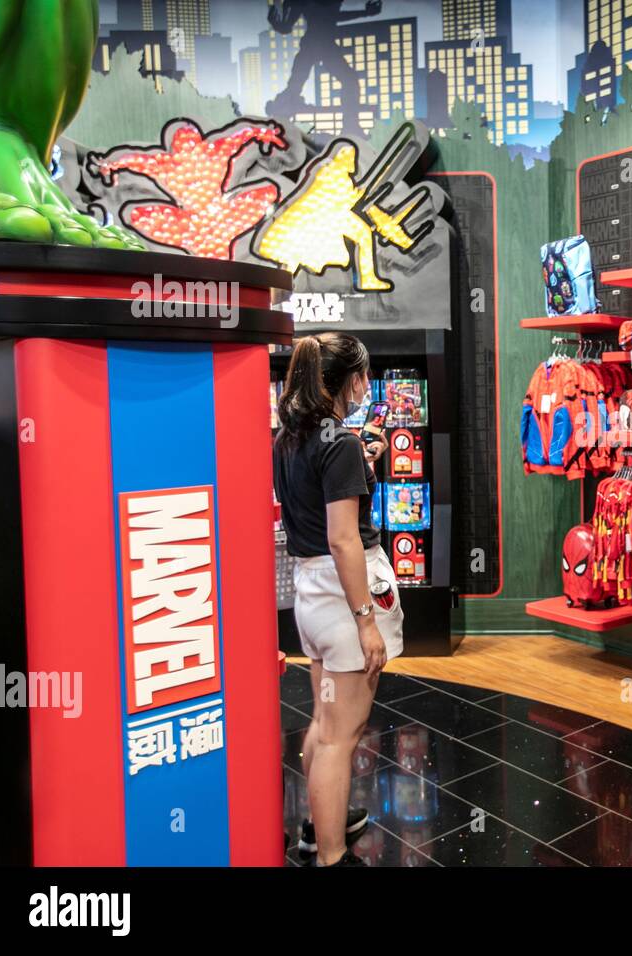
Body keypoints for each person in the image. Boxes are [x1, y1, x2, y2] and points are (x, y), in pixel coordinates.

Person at [273, 331, 403, 866]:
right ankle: (331, 855)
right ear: (350, 380)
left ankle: (319, 823)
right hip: (343, 594)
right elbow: (344, 538)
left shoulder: (289, 438)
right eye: (364, 376)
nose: (367, 387)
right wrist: (366, 620)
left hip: (310, 593)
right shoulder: (341, 442)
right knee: (338, 737)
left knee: (325, 723)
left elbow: (313, 510)